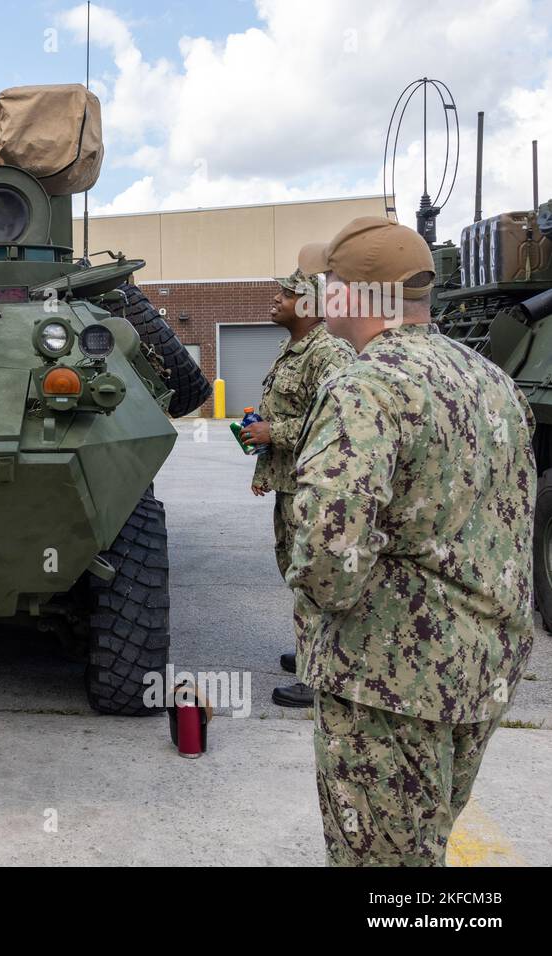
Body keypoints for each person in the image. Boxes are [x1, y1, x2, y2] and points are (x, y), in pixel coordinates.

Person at [287, 216, 535, 865]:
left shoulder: (365, 385)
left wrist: (321, 603)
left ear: (346, 295)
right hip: (480, 669)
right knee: (421, 847)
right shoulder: (493, 382)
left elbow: (328, 554)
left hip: (388, 678)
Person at [244, 267, 355, 709]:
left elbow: (339, 424)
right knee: (295, 573)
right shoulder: (292, 349)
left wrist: (277, 433)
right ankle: (313, 652)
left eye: (286, 295)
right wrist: (262, 440)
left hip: (315, 487)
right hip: (289, 485)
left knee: (313, 578)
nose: (276, 300)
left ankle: (321, 675)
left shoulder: (330, 355)